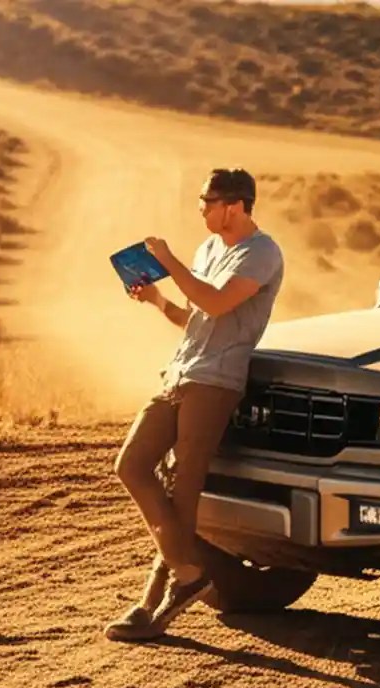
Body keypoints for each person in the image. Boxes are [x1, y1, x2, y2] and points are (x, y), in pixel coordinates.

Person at [104, 167, 284, 642]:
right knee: (133, 464)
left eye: (207, 200)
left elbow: (218, 303)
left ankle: (152, 603)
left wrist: (169, 260)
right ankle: (187, 574)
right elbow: (197, 318)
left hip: (218, 381)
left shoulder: (263, 253)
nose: (201, 208)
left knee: (184, 488)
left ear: (236, 205)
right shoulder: (208, 249)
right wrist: (158, 299)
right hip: (181, 371)